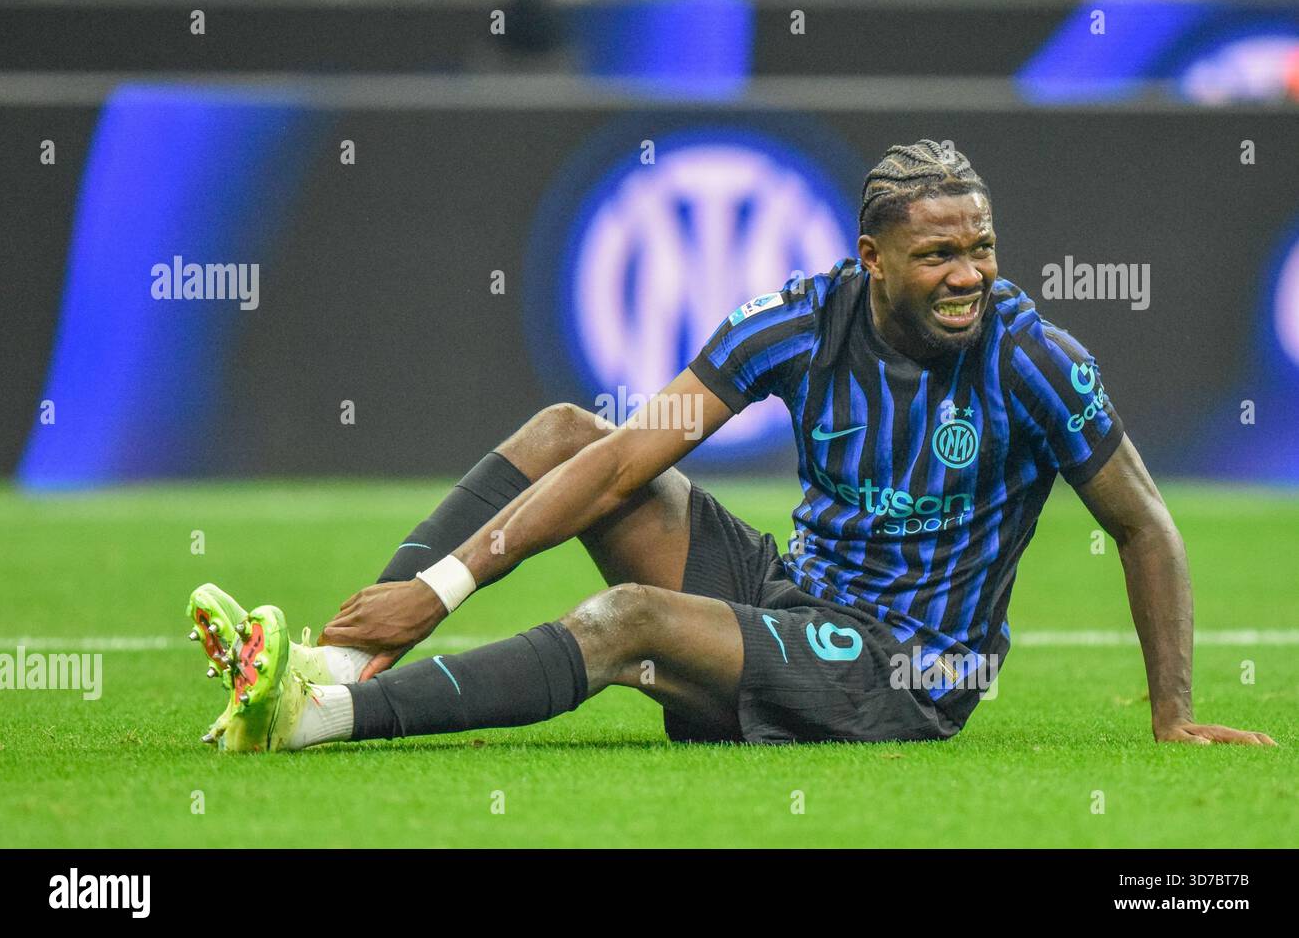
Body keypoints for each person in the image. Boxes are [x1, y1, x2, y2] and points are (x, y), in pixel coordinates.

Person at [187, 139, 1276, 752]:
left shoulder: (1033, 358)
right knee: (568, 429)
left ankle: (319, 717)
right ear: (872, 260)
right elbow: (625, 459)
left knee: (632, 621)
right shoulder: (796, 320)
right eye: (938, 252)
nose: (967, 275)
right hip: (793, 598)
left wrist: (1172, 712)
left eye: (981, 248)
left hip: (901, 672)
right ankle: (339, 653)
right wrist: (445, 582)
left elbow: (1142, 522)